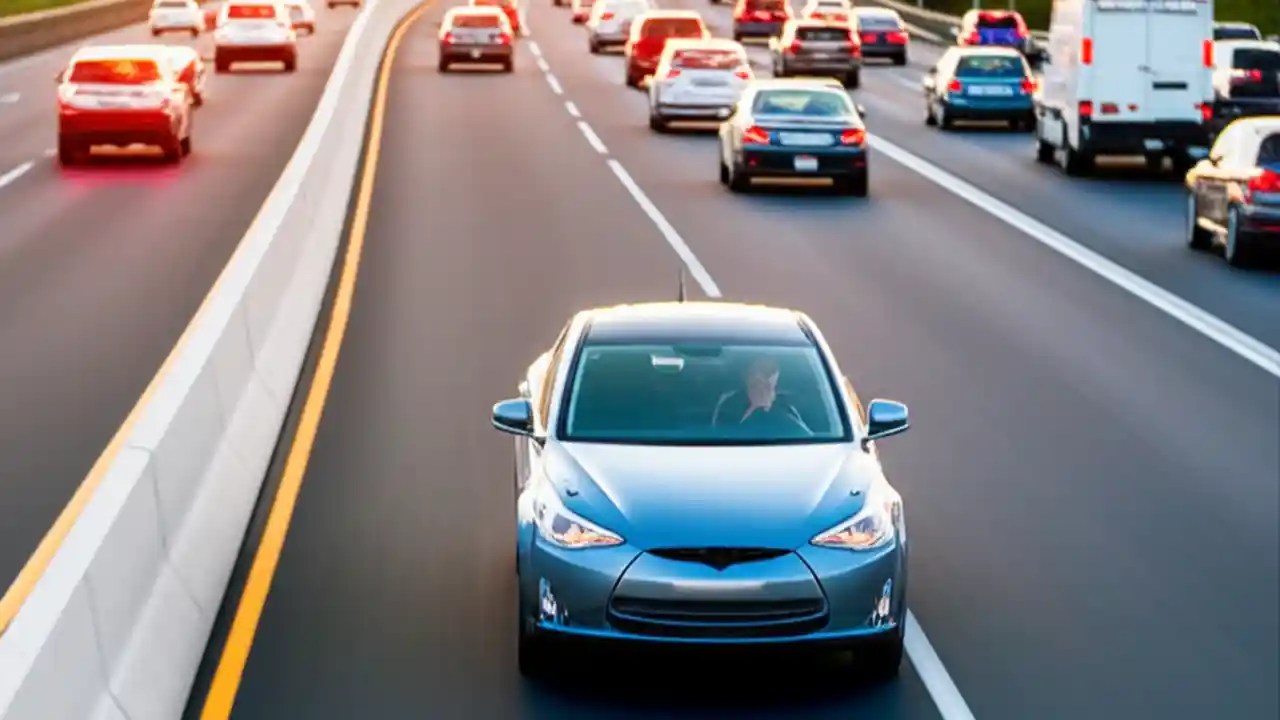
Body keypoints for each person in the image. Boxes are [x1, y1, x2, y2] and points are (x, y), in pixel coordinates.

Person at [711, 355, 812, 434]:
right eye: (758, 380)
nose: (763, 386)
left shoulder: (786, 406)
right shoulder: (730, 402)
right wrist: (754, 408)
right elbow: (721, 436)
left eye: (769, 372)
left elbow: (805, 435)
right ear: (747, 377)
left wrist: (771, 410)